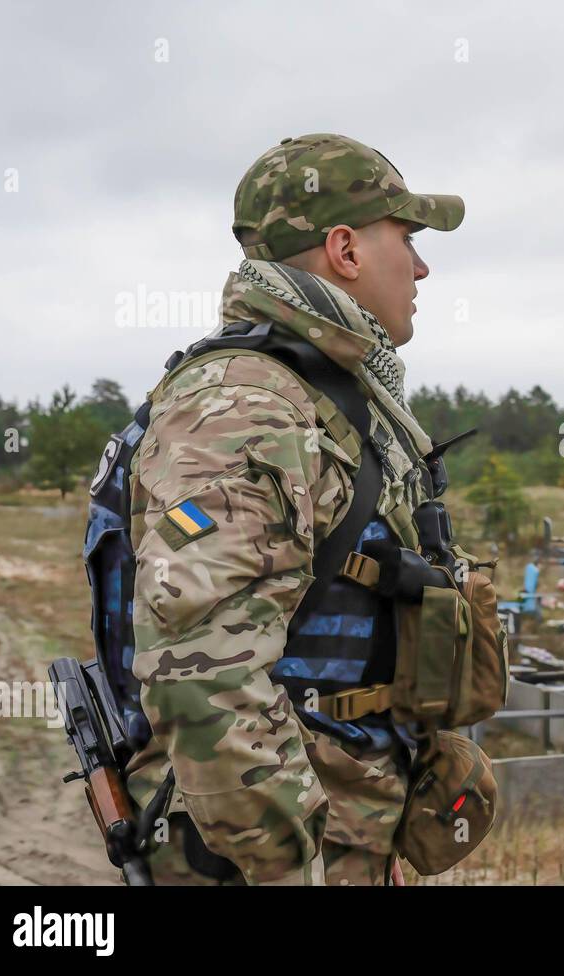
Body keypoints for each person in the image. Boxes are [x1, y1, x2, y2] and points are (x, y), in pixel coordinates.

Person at [126, 133, 465, 885]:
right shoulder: (244, 408)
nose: (421, 265)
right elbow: (199, 674)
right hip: (266, 855)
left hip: (340, 828)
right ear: (344, 250)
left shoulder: (322, 396)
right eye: (405, 239)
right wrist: (286, 865)